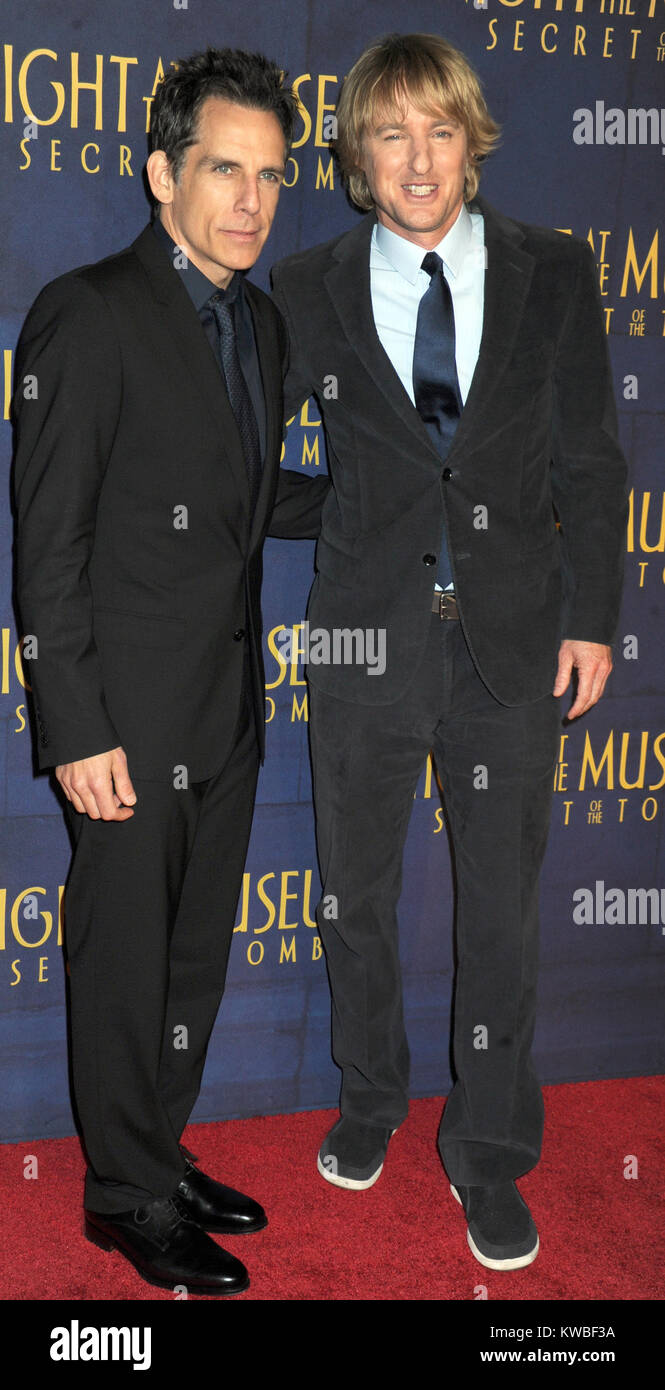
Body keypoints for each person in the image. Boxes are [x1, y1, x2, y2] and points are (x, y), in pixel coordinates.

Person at [271, 31, 627, 1271]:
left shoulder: (553, 272)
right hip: (365, 639)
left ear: (471, 141)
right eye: (388, 133)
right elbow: (250, 455)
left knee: (501, 917)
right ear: (357, 159)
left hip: (512, 645)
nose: (415, 158)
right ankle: (369, 1100)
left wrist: (591, 615)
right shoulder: (304, 286)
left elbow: (589, 455)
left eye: (436, 130)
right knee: (356, 901)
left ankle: (485, 1154)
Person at [13, 47, 329, 1298]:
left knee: (195, 957)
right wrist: (74, 725)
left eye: (269, 176)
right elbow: (50, 545)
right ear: (160, 173)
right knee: (126, 958)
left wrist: (393, 499)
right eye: (221, 170)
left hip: (230, 709)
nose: (250, 201)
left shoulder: (260, 319)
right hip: (126, 721)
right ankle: (122, 1198)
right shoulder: (86, 313)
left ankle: (163, 1150)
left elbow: (245, 500)